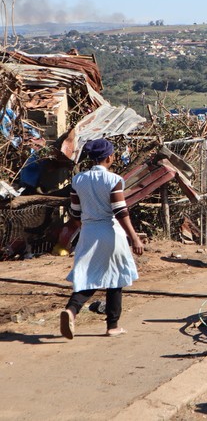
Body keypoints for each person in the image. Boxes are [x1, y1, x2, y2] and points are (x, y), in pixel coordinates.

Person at [60, 138, 144, 340]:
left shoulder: (78, 180)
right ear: (109, 157)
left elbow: (75, 211)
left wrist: (87, 226)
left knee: (89, 275)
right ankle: (112, 325)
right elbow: (120, 211)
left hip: (88, 232)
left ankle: (71, 310)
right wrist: (134, 237)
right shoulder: (113, 180)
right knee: (115, 278)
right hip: (110, 231)